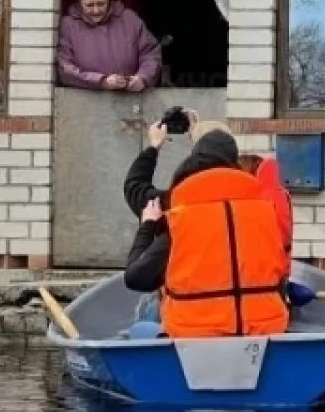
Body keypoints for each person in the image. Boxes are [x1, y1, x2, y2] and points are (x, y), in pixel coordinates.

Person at [124, 121, 291, 339]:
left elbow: (136, 278)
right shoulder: (265, 215)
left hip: (194, 334)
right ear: (235, 165)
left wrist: (147, 226)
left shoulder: (177, 215)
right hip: (262, 331)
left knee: (143, 322)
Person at [56, 0, 162, 92]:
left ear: (109, 0)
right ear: (80, 4)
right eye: (89, 5)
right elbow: (64, 68)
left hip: (131, 100)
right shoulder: (68, 25)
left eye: (101, 4)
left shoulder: (129, 19)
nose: (96, 10)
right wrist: (101, 82)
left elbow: (150, 54)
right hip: (84, 101)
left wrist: (143, 78)